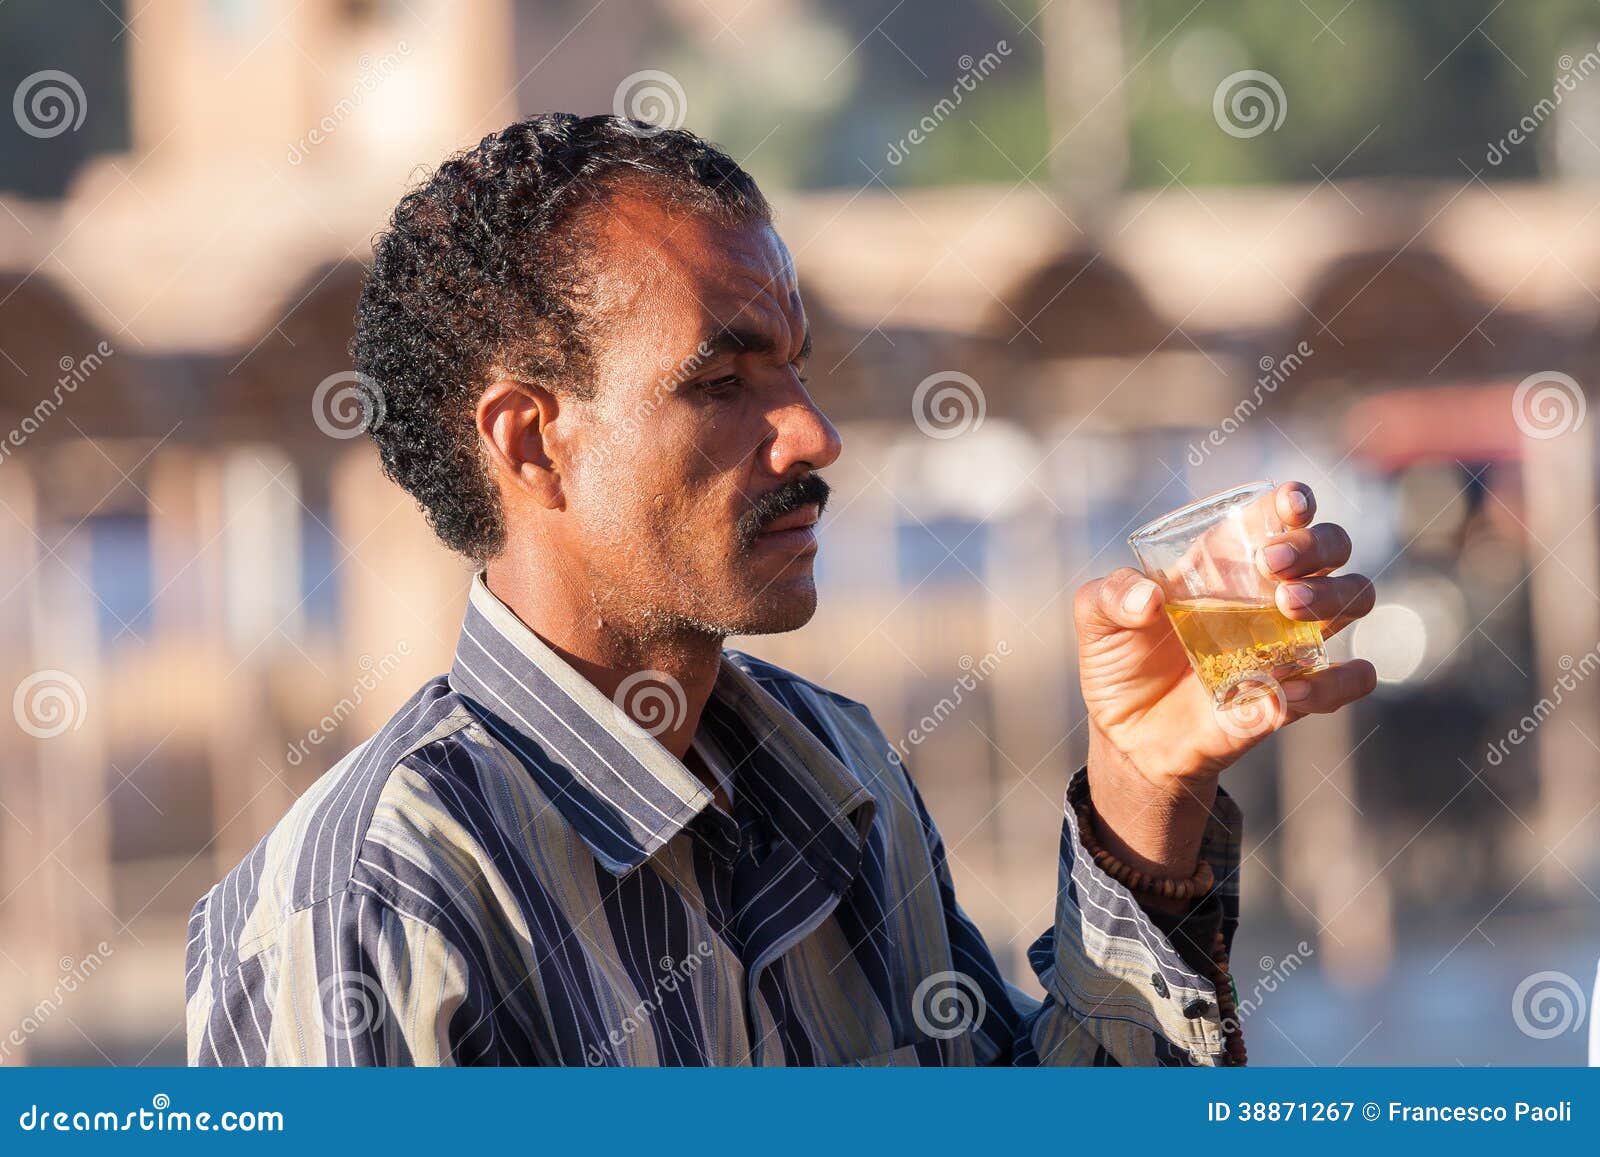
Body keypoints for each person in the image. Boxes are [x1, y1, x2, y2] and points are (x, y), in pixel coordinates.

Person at [185, 114, 1377, 1066]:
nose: (810, 434)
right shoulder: (380, 896)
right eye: (721, 381)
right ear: (532, 440)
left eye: (794, 366)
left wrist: (1142, 799)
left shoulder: (835, 775)